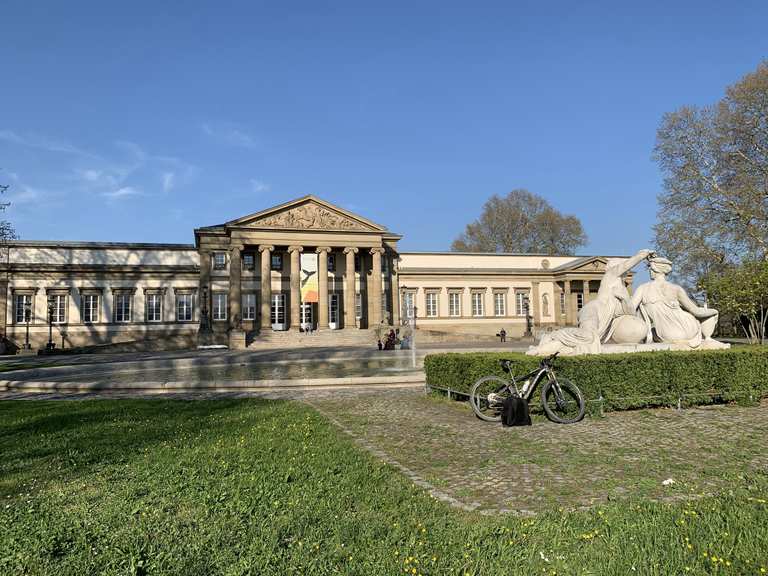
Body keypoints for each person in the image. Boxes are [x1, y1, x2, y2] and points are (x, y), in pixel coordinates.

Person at [631, 256, 728, 349]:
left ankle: (707, 339)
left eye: (651, 269)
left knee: (653, 332)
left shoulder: (643, 288)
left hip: (668, 332)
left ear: (656, 270)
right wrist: (714, 312)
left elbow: (630, 309)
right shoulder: (676, 288)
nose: (649, 271)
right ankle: (708, 339)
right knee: (708, 315)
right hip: (689, 327)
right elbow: (696, 311)